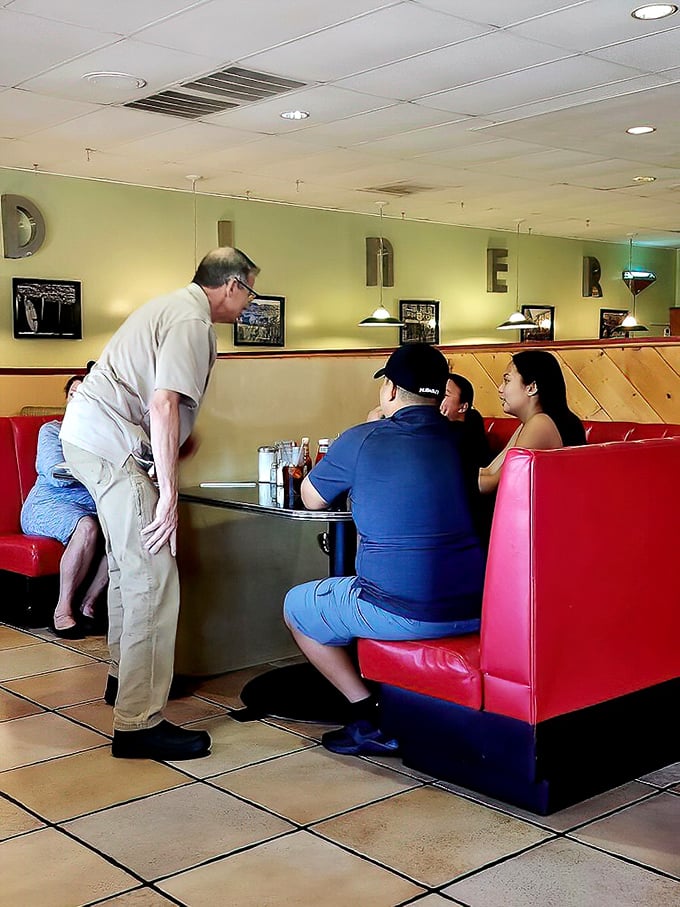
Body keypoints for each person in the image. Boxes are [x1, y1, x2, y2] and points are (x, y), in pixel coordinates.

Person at [60, 247, 261, 761]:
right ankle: (138, 724)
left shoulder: (173, 307)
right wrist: (168, 496)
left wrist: (168, 452)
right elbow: (164, 402)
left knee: (131, 570)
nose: (248, 304)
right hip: (111, 443)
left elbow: (159, 408)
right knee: (153, 572)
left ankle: (123, 682)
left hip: (92, 438)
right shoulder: (193, 321)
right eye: (250, 292)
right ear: (232, 285)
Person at [283, 343, 486, 757]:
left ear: (390, 390)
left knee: (296, 607)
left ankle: (367, 714)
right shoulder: (465, 440)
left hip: (401, 609)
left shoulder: (361, 439)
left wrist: (363, 432)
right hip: (477, 604)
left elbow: (311, 498)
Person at [21, 375, 108, 639]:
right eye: (74, 394)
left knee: (122, 530)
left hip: (89, 506)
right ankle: (61, 611)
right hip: (47, 505)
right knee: (88, 527)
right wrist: (98, 471)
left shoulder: (103, 435)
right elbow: (53, 471)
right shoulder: (52, 430)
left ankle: (90, 604)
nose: (79, 400)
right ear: (67, 400)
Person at [479, 349, 585, 495]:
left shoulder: (541, 423)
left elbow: (494, 483)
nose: (500, 389)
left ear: (531, 387)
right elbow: (490, 470)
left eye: (507, 380)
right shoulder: (530, 423)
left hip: (553, 514)